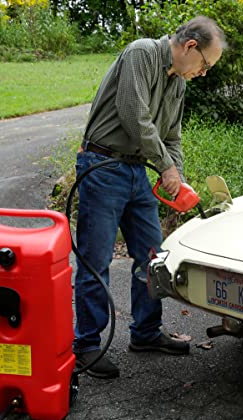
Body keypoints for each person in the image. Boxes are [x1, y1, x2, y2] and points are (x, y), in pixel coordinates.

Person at [73, 16, 227, 378]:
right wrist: (165, 167)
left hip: (136, 171)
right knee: (96, 259)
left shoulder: (179, 85)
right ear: (190, 47)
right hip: (102, 166)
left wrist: (178, 177)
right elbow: (134, 117)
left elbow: (171, 138)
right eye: (205, 64)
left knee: (152, 256)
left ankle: (145, 332)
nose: (203, 73)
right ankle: (87, 346)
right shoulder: (141, 53)